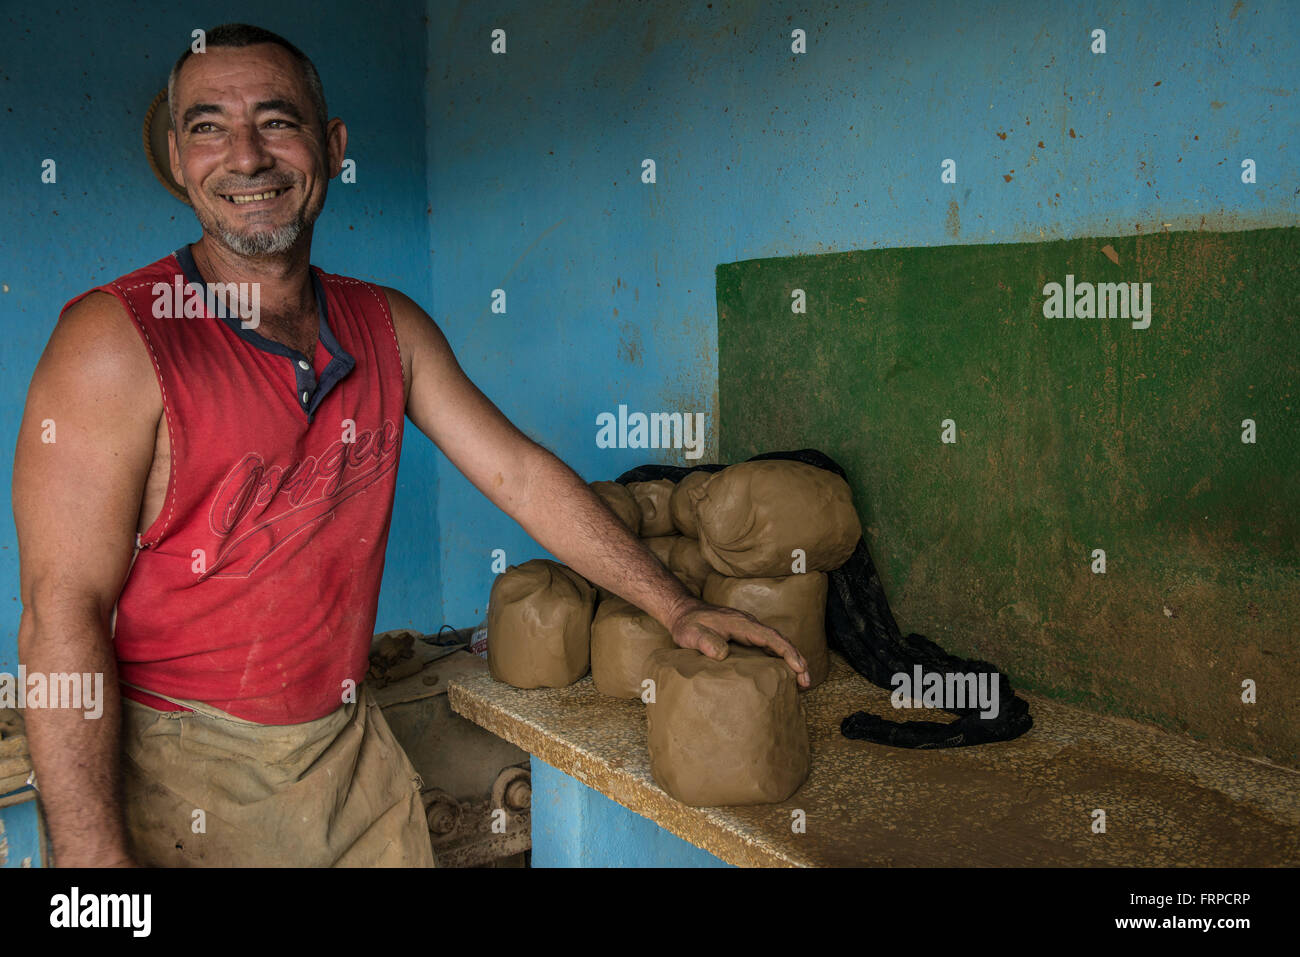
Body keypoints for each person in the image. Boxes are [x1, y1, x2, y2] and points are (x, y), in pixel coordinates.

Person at [11, 23, 809, 868]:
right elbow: (61, 616)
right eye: (209, 126)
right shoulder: (115, 342)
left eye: (278, 121)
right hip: (179, 767)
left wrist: (675, 603)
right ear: (179, 158)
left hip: (350, 749)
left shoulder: (387, 326)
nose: (246, 157)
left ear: (333, 146)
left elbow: (520, 474)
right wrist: (92, 861)